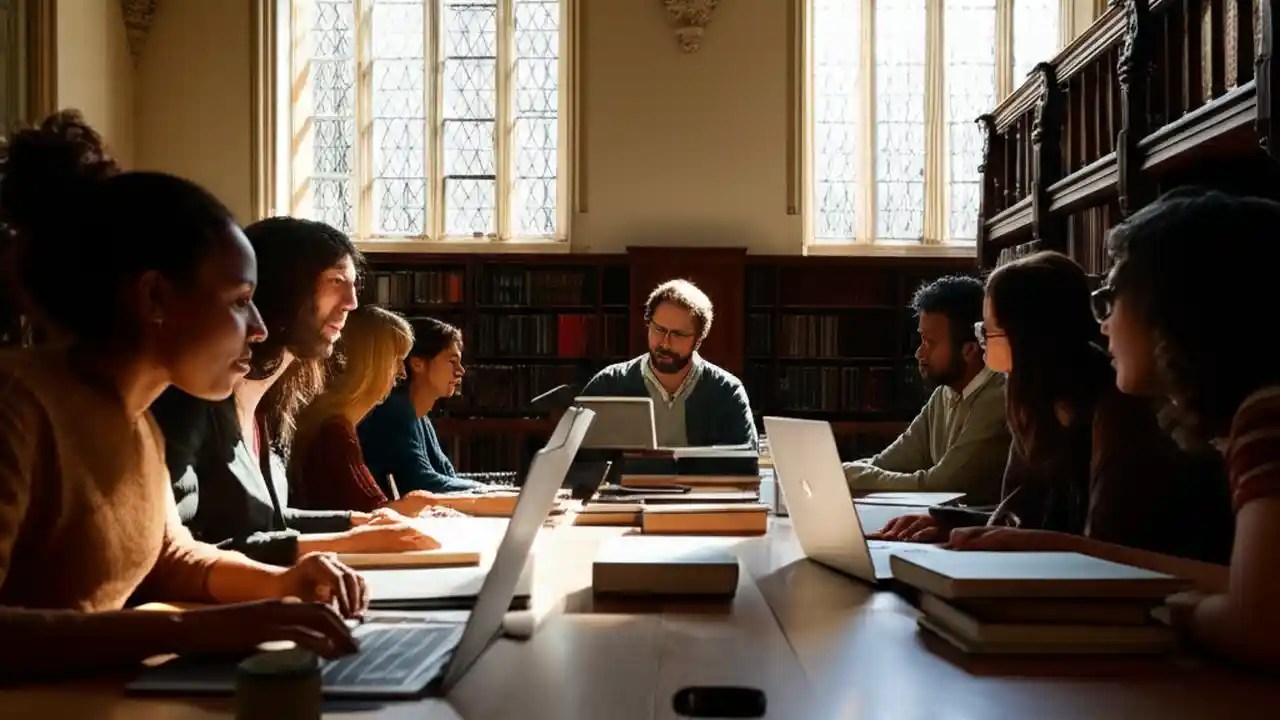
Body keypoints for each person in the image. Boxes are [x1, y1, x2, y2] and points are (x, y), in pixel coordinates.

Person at [0, 111, 360, 681]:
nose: (260, 328)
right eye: (241, 300)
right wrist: (192, 632)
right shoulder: (18, 406)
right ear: (156, 298)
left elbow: (172, 557)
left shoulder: (136, 417)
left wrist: (282, 583)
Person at [945, 189, 1278, 668]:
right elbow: (1234, 583)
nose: (1102, 326)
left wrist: (1175, 609)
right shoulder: (1240, 422)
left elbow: (1256, 624)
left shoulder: (1266, 420)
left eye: (1112, 300)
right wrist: (1056, 547)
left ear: (1176, 310)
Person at [872, 251, 1232, 566]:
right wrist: (953, 521)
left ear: (1026, 337)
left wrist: (1005, 535)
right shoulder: (1032, 398)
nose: (979, 342)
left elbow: (1107, 546)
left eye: (988, 331)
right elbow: (1026, 512)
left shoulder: (1118, 407)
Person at [150, 217, 439, 567]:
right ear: (284, 287)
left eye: (353, 285)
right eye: (336, 281)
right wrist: (348, 542)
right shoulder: (190, 400)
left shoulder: (267, 407)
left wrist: (355, 521)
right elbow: (181, 550)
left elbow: (271, 518)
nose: (351, 302)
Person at [842, 276, 1010, 504]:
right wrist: (838, 471)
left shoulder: (999, 398)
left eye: (930, 342)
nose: (919, 353)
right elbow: (889, 462)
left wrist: (849, 475)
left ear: (970, 349)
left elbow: (940, 485)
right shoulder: (945, 393)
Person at [580, 279, 757, 448]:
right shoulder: (608, 386)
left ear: (698, 340)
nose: (665, 343)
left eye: (678, 334)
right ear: (648, 324)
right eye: (659, 329)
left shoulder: (727, 392)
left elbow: (745, 465)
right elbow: (576, 461)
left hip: (698, 481)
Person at [291, 306, 431, 511]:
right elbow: (371, 515)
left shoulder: (335, 424)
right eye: (396, 361)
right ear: (372, 363)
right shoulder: (333, 433)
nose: (402, 373)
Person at [359, 317, 487, 495]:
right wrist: (491, 493)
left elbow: (447, 475)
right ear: (417, 362)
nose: (460, 371)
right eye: (452, 361)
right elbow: (422, 483)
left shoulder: (420, 417)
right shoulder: (394, 412)